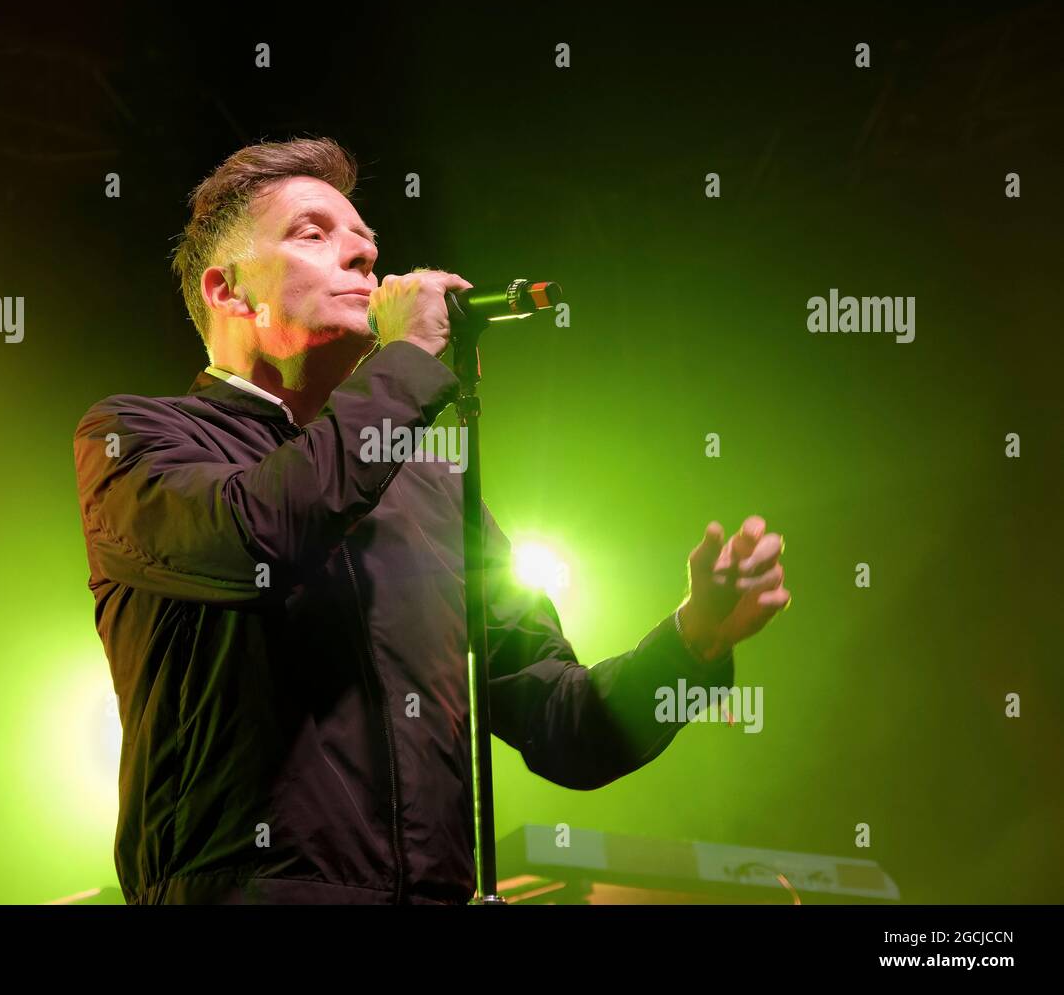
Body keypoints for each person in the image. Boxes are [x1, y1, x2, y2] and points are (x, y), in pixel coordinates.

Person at [72, 136, 790, 904]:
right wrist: (409, 356)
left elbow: (564, 724)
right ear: (228, 291)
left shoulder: (433, 490)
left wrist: (692, 642)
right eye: (313, 233)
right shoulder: (136, 440)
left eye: (365, 241)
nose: (363, 255)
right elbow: (261, 534)